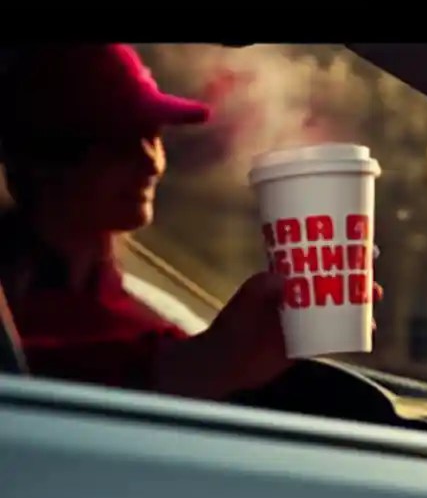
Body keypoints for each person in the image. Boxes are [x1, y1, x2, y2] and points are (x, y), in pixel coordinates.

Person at [0, 44, 374, 400]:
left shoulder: (138, 306)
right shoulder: (18, 318)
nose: (152, 163)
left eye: (153, 136)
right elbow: (29, 380)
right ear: (45, 159)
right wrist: (202, 362)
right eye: (119, 141)